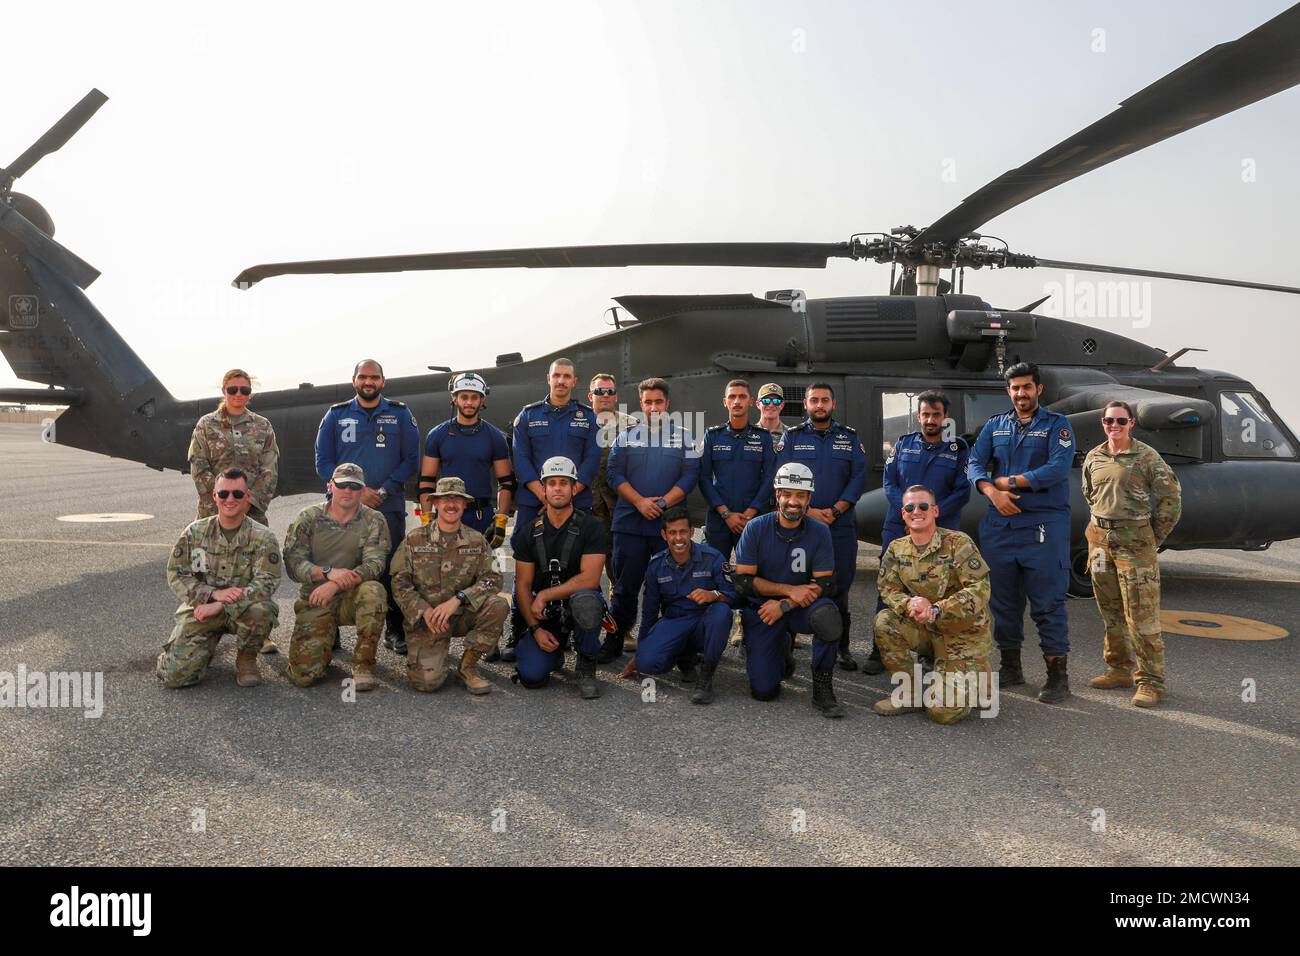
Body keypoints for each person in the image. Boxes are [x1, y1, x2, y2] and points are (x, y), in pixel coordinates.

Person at [967, 362, 1076, 702]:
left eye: (1026, 386)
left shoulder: (1057, 425)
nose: (1020, 393)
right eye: (1015, 387)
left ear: (1038, 389)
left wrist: (1010, 482)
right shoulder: (995, 425)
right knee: (1003, 603)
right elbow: (974, 463)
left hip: (1043, 525)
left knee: (1048, 603)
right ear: (1008, 391)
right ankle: (1011, 668)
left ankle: (1057, 677)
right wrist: (991, 492)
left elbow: (1058, 467)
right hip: (1000, 526)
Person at [314, 359, 420, 654]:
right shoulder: (336, 415)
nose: (368, 382)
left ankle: (394, 629)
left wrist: (383, 491)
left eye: (374, 377)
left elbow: (411, 459)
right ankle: (330, 628)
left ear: (383, 381)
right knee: (338, 562)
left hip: (388, 506)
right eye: (363, 377)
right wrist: (357, 492)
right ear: (354, 380)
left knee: (392, 567)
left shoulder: (400, 413)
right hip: (344, 507)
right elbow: (323, 463)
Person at [1082, 401, 1182, 707]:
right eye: (1109, 421)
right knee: (1110, 610)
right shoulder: (1094, 456)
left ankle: (1151, 680)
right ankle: (1118, 669)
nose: (1115, 426)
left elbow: (1170, 500)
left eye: (1121, 421)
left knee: (1141, 615)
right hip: (1100, 542)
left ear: (1131, 423)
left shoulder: (1147, 457)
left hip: (1134, 542)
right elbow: (1089, 493)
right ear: (1103, 423)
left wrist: (1152, 538)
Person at [864, 390, 970, 674]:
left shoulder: (958, 449)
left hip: (940, 528)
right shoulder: (903, 444)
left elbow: (962, 491)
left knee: (938, 587)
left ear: (945, 417)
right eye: (925, 414)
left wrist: (930, 516)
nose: (930, 420)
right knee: (890, 585)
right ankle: (880, 650)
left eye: (936, 414)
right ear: (918, 416)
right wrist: (911, 514)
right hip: (899, 527)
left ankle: (930, 650)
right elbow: (890, 483)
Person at [504, 358, 600, 661]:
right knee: (526, 568)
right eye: (557, 375)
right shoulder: (528, 416)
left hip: (575, 502)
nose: (561, 381)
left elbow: (592, 459)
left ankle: (572, 631)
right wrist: (544, 495)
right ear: (548, 378)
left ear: (574, 381)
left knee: (576, 567)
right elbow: (521, 458)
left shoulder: (588, 418)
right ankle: (519, 629)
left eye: (566, 376)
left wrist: (568, 493)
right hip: (534, 502)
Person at [872, 485, 993, 724]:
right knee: (885, 621)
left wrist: (937, 610)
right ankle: (910, 694)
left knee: (943, 712)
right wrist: (910, 603)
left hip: (961, 633)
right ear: (903, 513)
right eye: (910, 507)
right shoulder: (897, 549)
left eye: (923, 506)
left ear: (935, 511)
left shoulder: (959, 543)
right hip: (926, 626)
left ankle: (978, 673)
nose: (916, 511)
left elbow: (980, 590)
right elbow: (887, 588)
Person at [732, 462, 845, 717]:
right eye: (787, 494)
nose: (793, 502)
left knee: (827, 617)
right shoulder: (756, 527)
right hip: (764, 609)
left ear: (809, 499)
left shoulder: (820, 531)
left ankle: (822, 687)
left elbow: (826, 584)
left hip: (797, 608)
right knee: (764, 691)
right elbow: (743, 581)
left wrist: (785, 604)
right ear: (777, 495)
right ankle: (781, 649)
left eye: (800, 496)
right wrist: (788, 590)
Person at [156, 469, 282, 689]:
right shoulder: (195, 532)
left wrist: (221, 605)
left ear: (247, 496)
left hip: (245, 609)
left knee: (262, 610)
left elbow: (266, 582)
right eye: (223, 494)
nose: (230, 499)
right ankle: (199, 650)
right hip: (203, 607)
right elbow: (177, 573)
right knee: (175, 677)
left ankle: (246, 658)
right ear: (215, 496)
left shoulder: (263, 537)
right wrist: (212, 595)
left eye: (237, 494)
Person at [605, 377, 701, 661]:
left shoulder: (684, 437)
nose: (654, 407)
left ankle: (675, 647)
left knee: (673, 588)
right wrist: (639, 502)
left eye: (659, 401)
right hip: (630, 524)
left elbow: (690, 475)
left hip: (668, 527)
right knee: (624, 589)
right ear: (641, 404)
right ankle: (614, 640)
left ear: (667, 403)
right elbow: (614, 473)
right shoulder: (626, 436)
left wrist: (661, 503)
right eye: (648, 402)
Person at [776, 383, 867, 671]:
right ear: (805, 404)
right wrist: (810, 511)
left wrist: (837, 509)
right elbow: (782, 477)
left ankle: (841, 647)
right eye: (814, 400)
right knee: (794, 582)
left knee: (839, 585)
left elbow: (858, 477)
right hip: (801, 524)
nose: (819, 405)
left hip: (840, 525)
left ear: (833, 404)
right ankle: (786, 646)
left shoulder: (849, 438)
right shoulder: (792, 437)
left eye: (824, 400)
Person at [187, 369, 280, 653]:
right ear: (224, 391)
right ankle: (201, 624)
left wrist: (249, 502)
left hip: (251, 512)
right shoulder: (206, 425)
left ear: (250, 393)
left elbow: (269, 469)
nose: (239, 395)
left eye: (245, 390)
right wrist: (222, 501)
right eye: (233, 389)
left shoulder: (262, 426)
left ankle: (259, 632)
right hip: (212, 512)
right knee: (203, 569)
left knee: (256, 570)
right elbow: (198, 465)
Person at [390, 477, 510, 695]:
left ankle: (468, 667)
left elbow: (493, 579)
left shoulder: (477, 540)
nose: (451, 504)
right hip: (428, 620)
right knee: (427, 683)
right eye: (446, 499)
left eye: (457, 499)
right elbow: (399, 581)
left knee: (498, 605)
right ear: (436, 503)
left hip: (463, 613)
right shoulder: (415, 539)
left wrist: (459, 599)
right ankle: (437, 654)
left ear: (464, 504)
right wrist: (424, 611)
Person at [282, 463, 391, 691]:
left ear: (362, 490)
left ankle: (363, 665)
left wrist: (333, 585)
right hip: (316, 597)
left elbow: (375, 564)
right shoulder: (309, 518)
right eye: (342, 485)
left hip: (353, 595)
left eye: (354, 486)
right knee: (304, 676)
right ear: (331, 486)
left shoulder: (374, 519)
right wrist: (327, 572)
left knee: (374, 592)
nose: (348, 490)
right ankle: (326, 638)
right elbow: (293, 563)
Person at [618, 507, 736, 705]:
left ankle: (705, 678)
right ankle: (682, 656)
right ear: (664, 535)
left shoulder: (713, 557)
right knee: (647, 662)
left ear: (692, 532)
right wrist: (640, 653)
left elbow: (734, 596)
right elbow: (649, 612)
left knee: (721, 612)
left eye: (683, 532)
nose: (678, 538)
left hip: (703, 621)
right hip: (674, 621)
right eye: (672, 532)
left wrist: (713, 595)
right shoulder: (656, 565)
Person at [512, 457, 608, 699]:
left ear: (574, 488)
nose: (557, 488)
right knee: (532, 677)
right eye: (552, 483)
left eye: (564, 483)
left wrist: (545, 594)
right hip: (545, 615)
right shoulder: (528, 532)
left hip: (577, 605)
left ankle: (586, 664)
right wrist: (535, 629)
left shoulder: (592, 528)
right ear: (543, 489)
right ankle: (553, 651)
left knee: (587, 600)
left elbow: (590, 579)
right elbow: (522, 585)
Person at [419, 372, 514, 546]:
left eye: (474, 397)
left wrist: (501, 519)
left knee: (481, 564)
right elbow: (426, 481)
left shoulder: (495, 437)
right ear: (454, 398)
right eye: (464, 397)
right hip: (447, 515)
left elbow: (506, 482)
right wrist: (427, 518)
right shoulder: (437, 435)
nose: (469, 402)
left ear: (482, 400)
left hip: (480, 517)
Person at [698, 378, 777, 559]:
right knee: (715, 570)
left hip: (753, 519)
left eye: (742, 397)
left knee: (751, 571)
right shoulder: (712, 436)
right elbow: (703, 478)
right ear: (724, 402)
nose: (737, 401)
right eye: (732, 397)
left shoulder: (763, 437)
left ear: (751, 402)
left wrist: (751, 512)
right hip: (719, 519)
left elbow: (769, 478)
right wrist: (726, 513)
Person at [588, 373, 638, 554]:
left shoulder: (632, 425)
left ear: (616, 396)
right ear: (590, 396)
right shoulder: (579, 423)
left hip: (621, 503)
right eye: (599, 391)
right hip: (587, 504)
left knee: (621, 553)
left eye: (610, 391)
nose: (605, 395)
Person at [756, 382, 789, 453]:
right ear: (758, 404)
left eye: (776, 401)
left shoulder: (791, 436)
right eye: (766, 401)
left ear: (782, 405)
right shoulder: (749, 434)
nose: (771, 405)